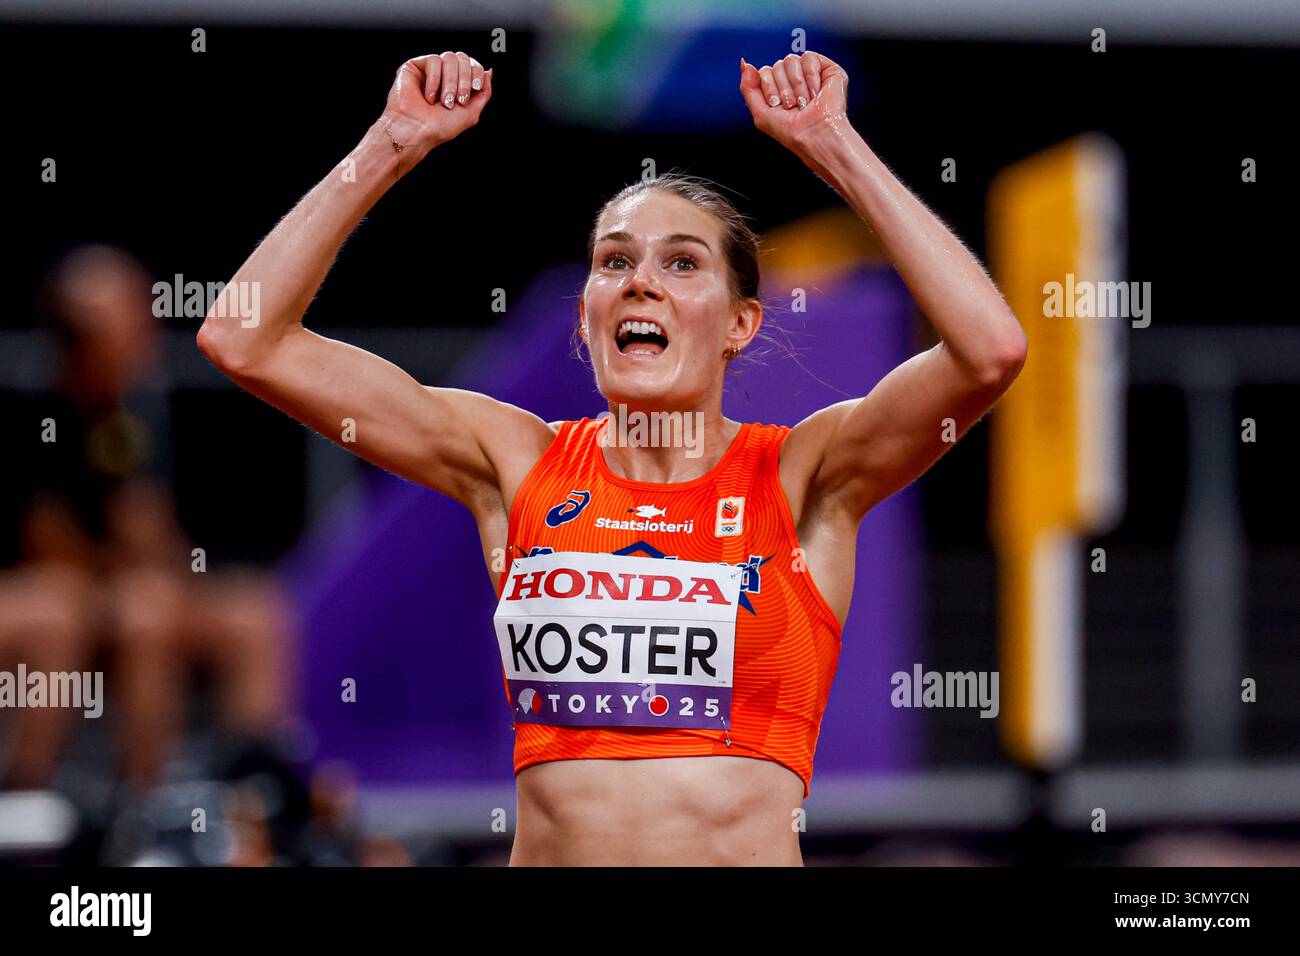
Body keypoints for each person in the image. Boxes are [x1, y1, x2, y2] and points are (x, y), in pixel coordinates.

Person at [196, 50, 1026, 866]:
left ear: (741, 323)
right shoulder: (513, 462)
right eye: (615, 261)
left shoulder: (807, 477)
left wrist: (833, 147)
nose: (640, 282)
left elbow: (989, 351)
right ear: (585, 317)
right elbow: (244, 337)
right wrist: (392, 142)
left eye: (682, 263)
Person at [0, 246, 292, 794]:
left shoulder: (138, 412)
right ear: (78, 335)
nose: (147, 327)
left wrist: (166, 568)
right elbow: (51, 552)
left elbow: (157, 536)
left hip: (118, 588)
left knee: (252, 613)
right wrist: (138, 565)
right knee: (132, 613)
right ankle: (105, 801)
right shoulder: (34, 412)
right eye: (125, 319)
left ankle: (253, 803)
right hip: (55, 593)